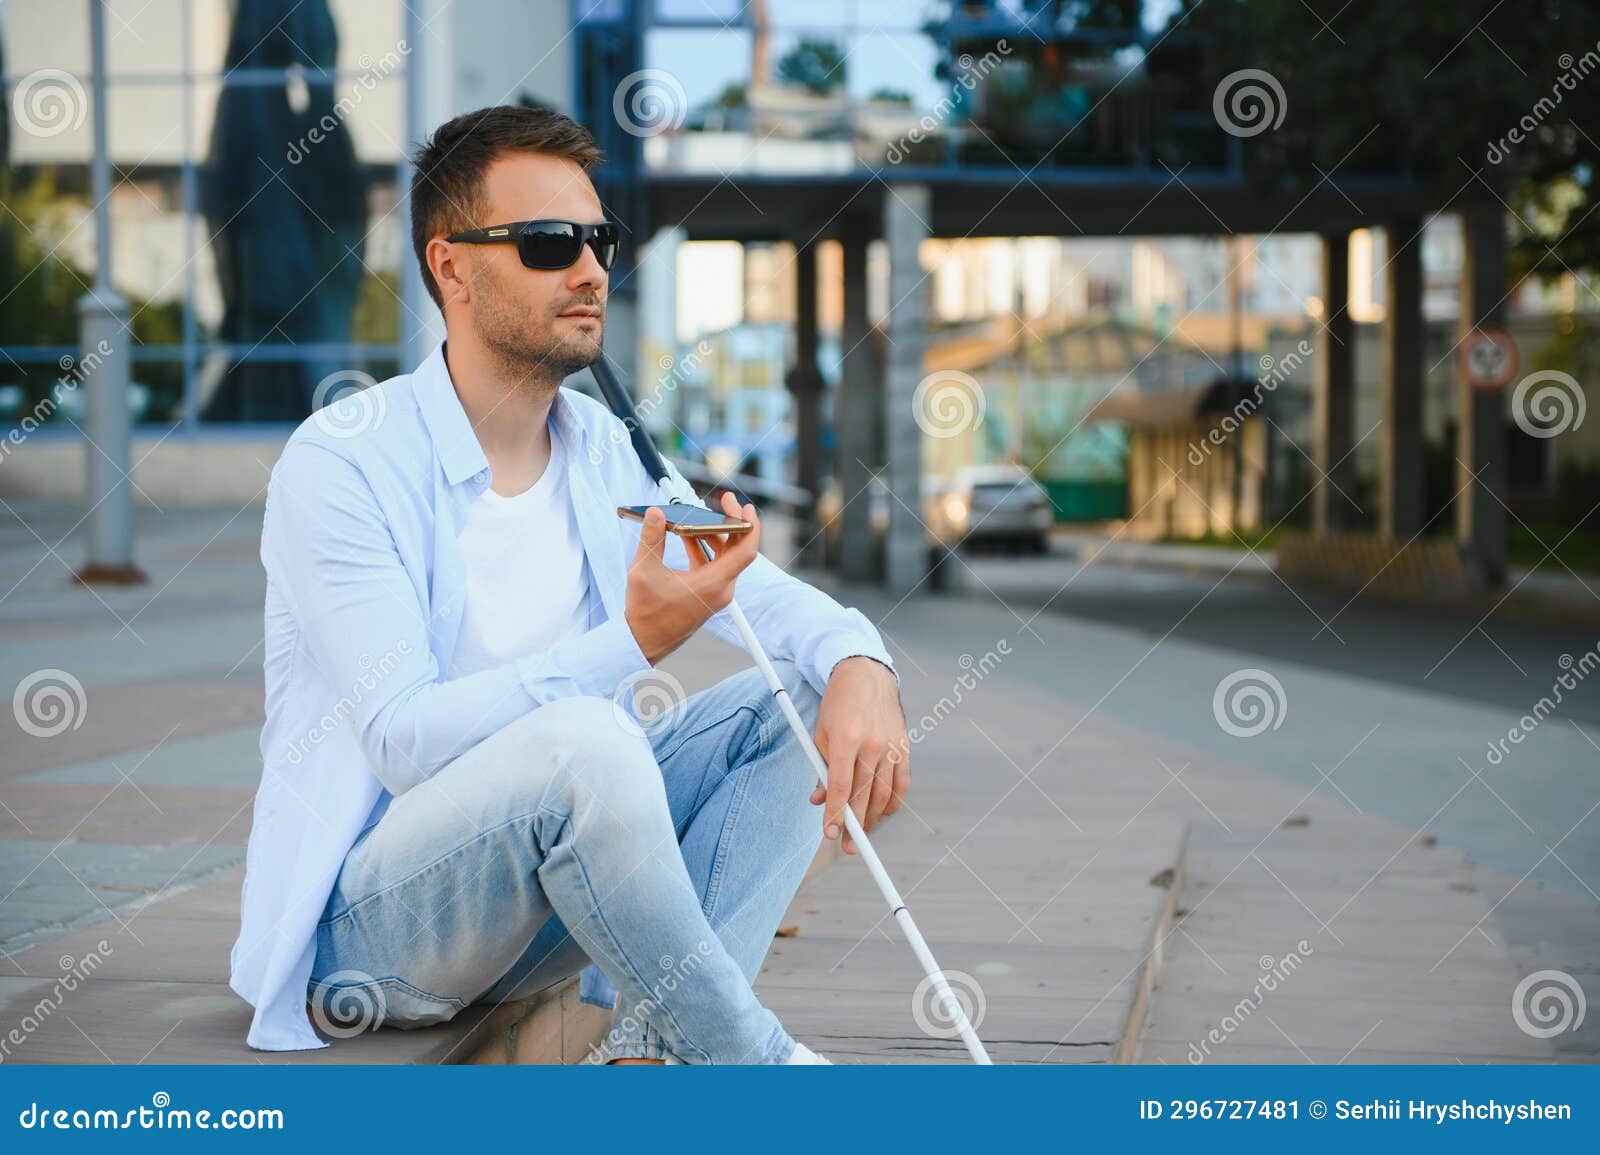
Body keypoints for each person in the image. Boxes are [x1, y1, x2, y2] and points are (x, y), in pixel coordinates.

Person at [228, 105, 910, 1064]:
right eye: (549, 243)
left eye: (600, 239)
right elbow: (403, 739)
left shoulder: (603, 446)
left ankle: (651, 1052)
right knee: (587, 737)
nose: (590, 269)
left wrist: (860, 658)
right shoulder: (344, 462)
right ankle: (751, 1065)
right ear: (450, 266)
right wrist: (629, 643)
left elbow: (761, 597)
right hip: (376, 930)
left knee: (793, 698)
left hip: (544, 908)